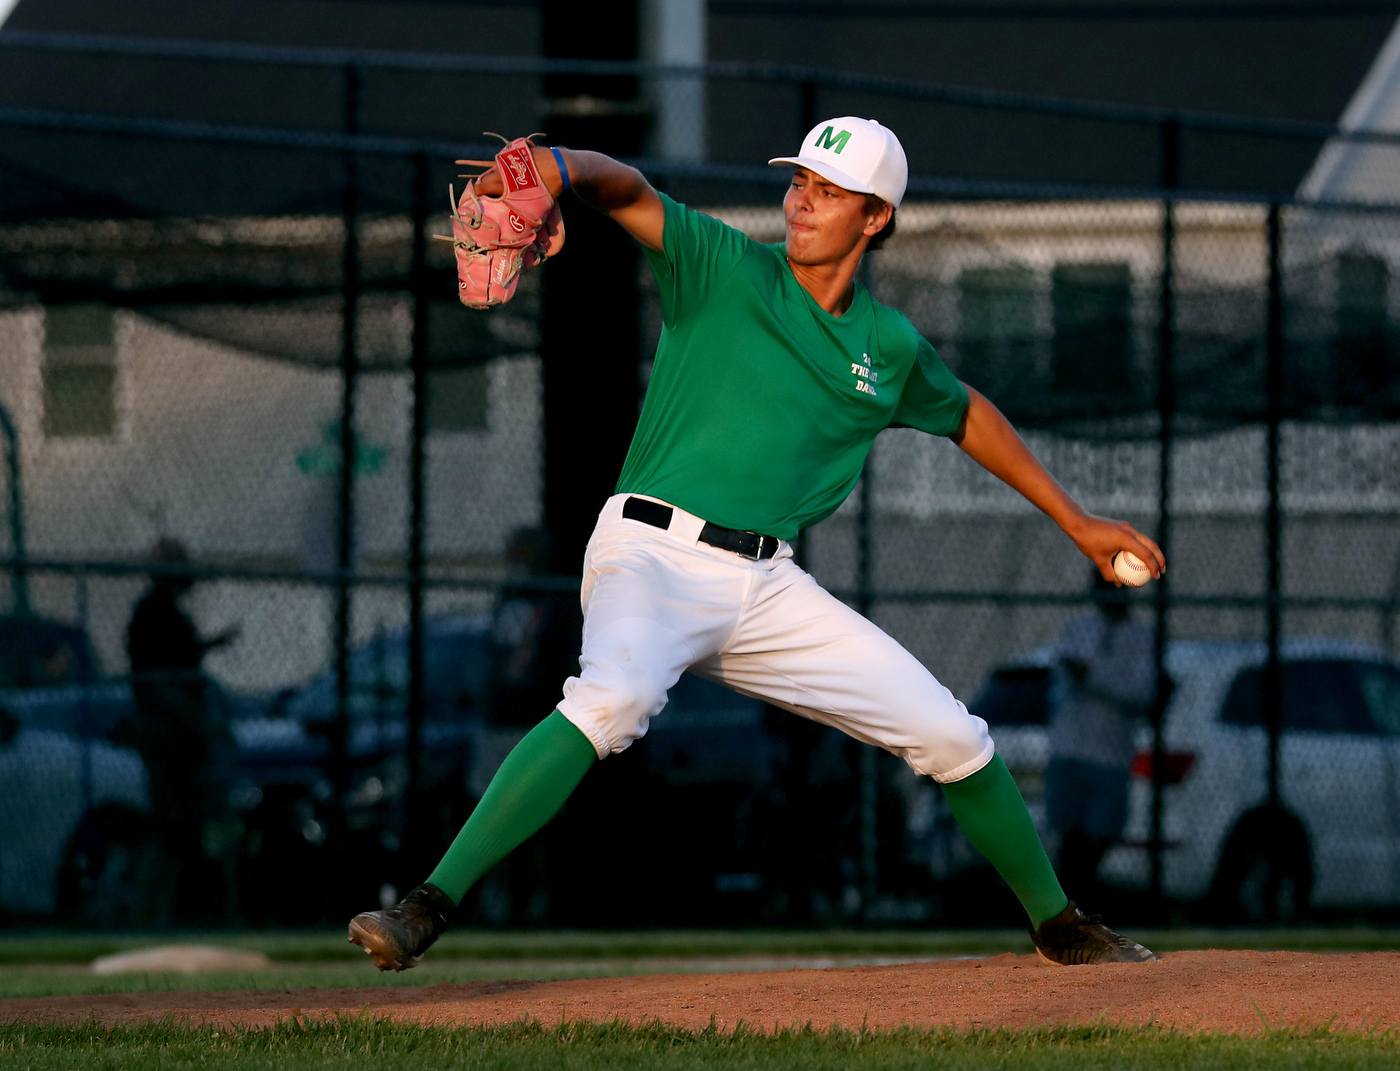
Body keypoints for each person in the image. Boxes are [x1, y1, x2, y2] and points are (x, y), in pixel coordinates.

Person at [348, 117, 1165, 969]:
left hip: (767, 583)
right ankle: (422, 908)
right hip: (651, 552)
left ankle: (1060, 925)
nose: (800, 202)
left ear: (876, 217)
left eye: (828, 191)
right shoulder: (725, 266)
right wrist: (557, 165)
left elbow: (966, 414)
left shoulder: (886, 346)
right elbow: (625, 187)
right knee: (614, 699)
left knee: (954, 737)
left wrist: (1077, 521)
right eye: (798, 182)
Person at [122, 538, 239, 922]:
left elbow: (179, 656)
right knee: (172, 829)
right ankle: (148, 911)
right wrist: (200, 724)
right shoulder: (153, 614)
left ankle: (168, 910)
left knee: (186, 829)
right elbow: (161, 679)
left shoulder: (166, 613)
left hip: (180, 739)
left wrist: (210, 644)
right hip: (168, 738)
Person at [1046, 571, 1158, 901]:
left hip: (1110, 754)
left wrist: (1094, 675)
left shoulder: (1141, 638)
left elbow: (1141, 690)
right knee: (1068, 834)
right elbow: (1063, 673)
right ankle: (1063, 907)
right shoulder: (1079, 627)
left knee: (1101, 833)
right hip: (1070, 748)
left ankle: (1082, 896)